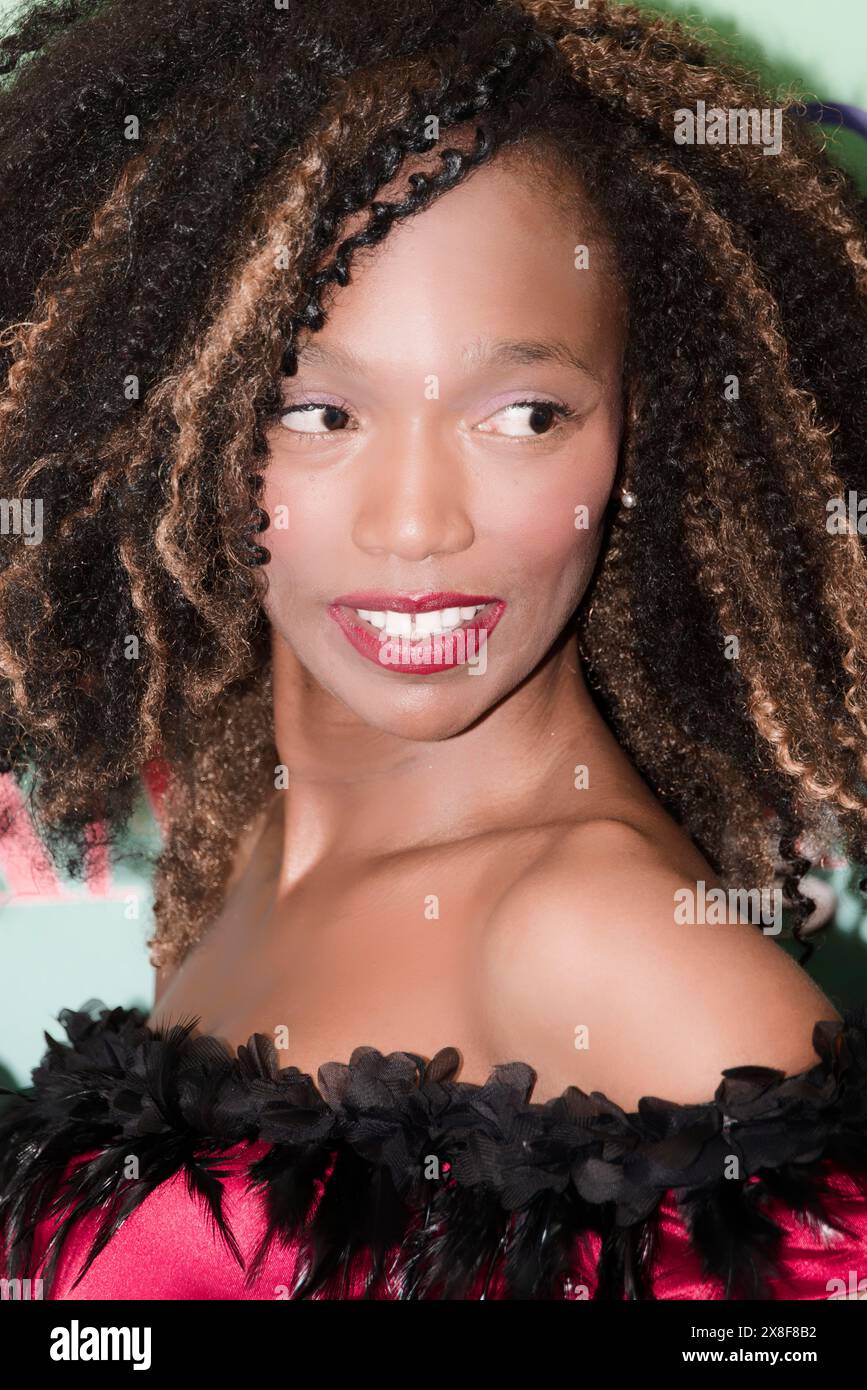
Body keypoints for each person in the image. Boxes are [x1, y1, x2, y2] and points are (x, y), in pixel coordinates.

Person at [1, 0, 867, 1301]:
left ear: (645, 429)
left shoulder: (607, 944)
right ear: (175, 429)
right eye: (317, 410)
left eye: (523, 413)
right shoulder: (242, 861)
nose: (418, 526)